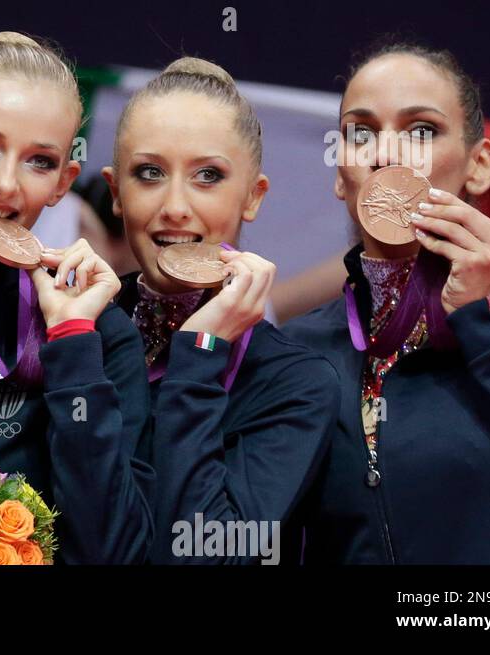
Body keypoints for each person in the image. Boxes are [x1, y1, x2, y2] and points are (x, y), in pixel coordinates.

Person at [282, 41, 490, 563]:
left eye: (422, 130)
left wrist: (486, 324)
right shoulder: (297, 350)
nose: (387, 153)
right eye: (361, 132)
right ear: (339, 173)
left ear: (479, 165)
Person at [0, 32, 153, 563]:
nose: (4, 182)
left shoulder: (102, 337)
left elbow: (115, 551)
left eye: (38, 161)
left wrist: (72, 343)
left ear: (64, 182)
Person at [103, 57, 338, 564]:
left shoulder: (297, 383)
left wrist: (200, 354)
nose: (175, 207)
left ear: (253, 197)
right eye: (149, 173)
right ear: (115, 192)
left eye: (207, 176)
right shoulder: (72, 332)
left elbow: (209, 556)